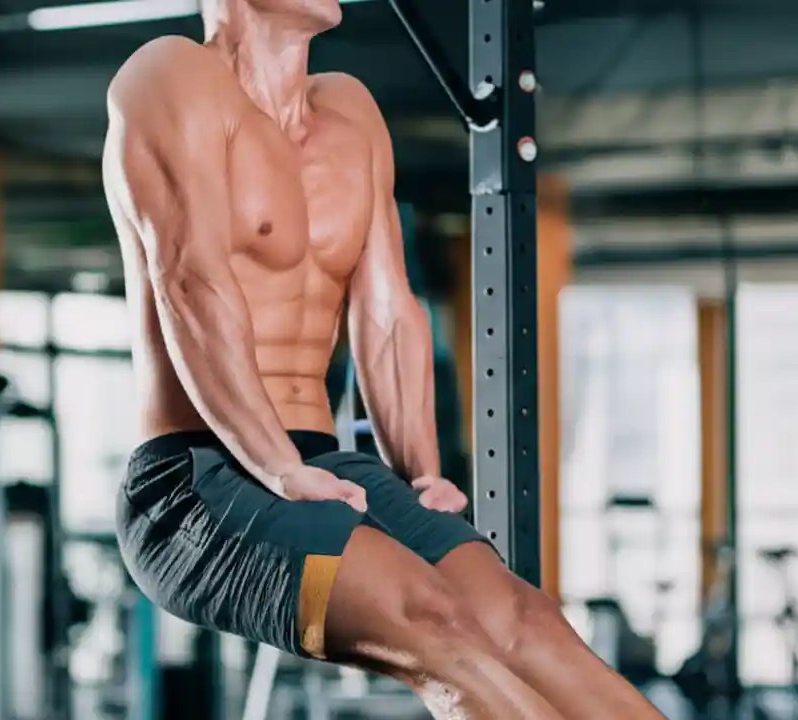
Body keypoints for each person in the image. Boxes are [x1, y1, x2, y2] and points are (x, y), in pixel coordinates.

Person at [102, 1, 664, 717]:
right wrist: (278, 465)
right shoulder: (169, 76)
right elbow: (191, 280)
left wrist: (420, 469)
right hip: (196, 480)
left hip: (322, 464)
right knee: (434, 621)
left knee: (524, 623)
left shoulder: (350, 111)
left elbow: (387, 310)